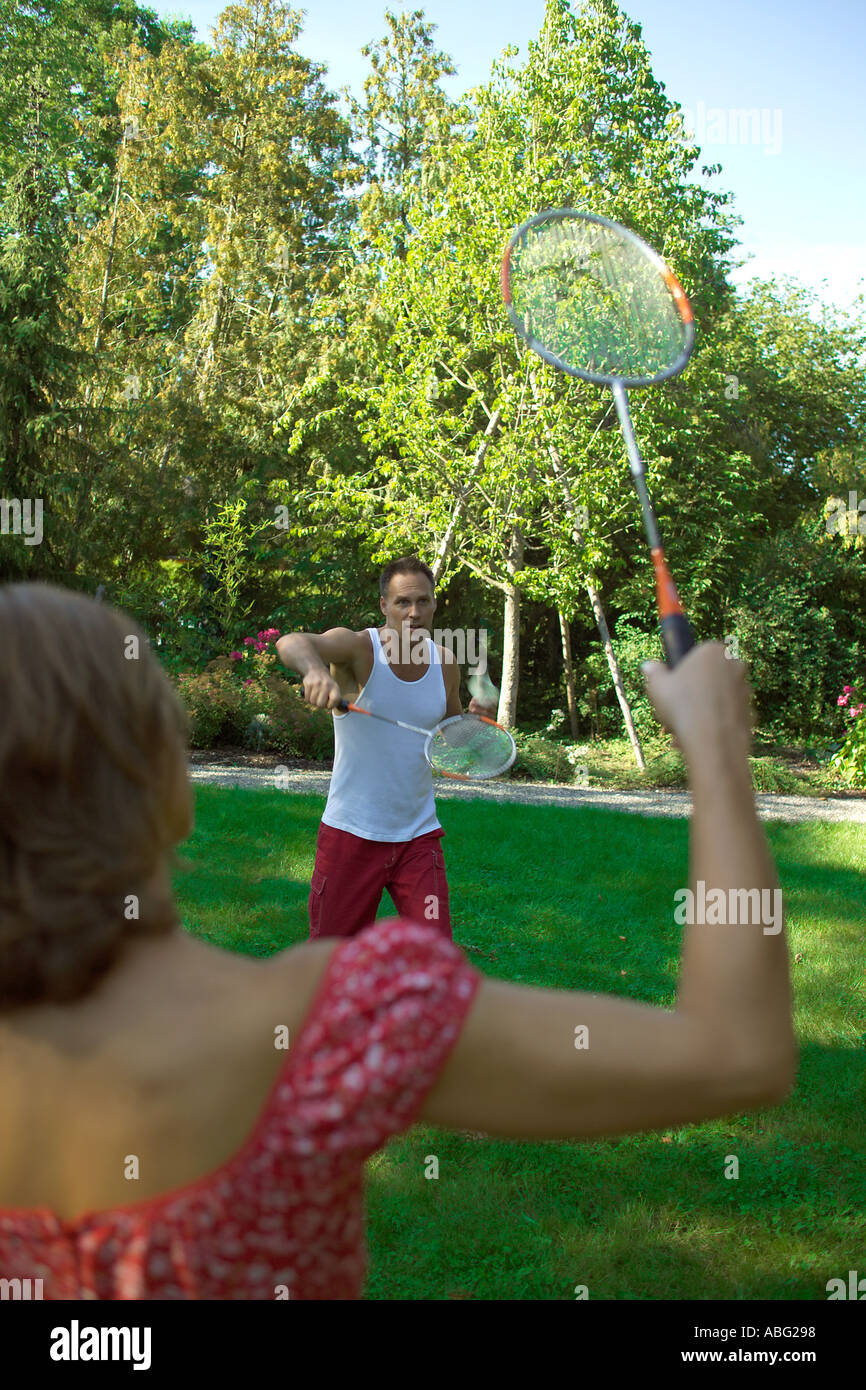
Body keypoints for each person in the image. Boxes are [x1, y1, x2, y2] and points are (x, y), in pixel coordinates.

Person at [0, 583, 797, 1300]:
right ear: (174, 794)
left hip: (415, 831)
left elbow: (446, 726)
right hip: (354, 836)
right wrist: (720, 757)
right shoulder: (345, 1017)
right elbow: (737, 1052)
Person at [275, 556, 496, 941]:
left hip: (418, 835)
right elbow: (292, 642)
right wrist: (313, 670)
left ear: (434, 604)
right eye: (402, 602)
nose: (414, 612)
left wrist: (476, 721)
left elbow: (450, 736)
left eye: (423, 601)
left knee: (433, 955)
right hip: (352, 834)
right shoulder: (359, 649)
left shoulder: (444, 662)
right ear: (384, 606)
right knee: (331, 959)